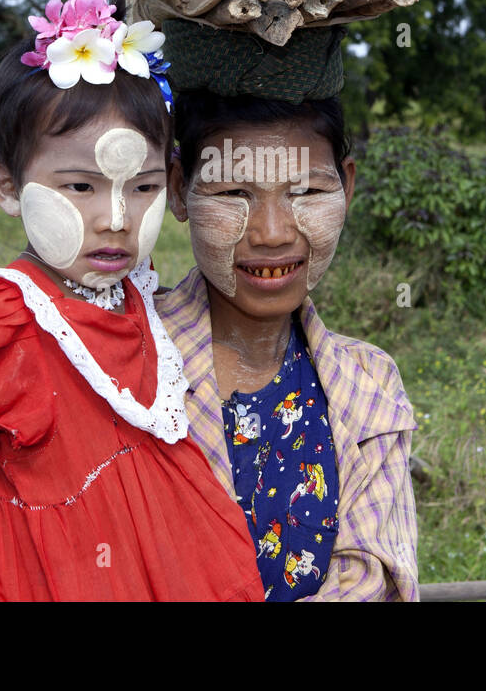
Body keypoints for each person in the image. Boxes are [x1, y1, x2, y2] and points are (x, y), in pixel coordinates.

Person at [0, 0, 264, 601]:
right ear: (7, 186)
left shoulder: (141, 295)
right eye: (80, 187)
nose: (115, 220)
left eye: (142, 187)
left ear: (171, 183)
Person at [154, 67, 421, 601]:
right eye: (234, 192)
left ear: (346, 186)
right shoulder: (118, 364)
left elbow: (372, 580)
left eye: (307, 191)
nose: (273, 233)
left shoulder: (369, 385)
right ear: (179, 190)